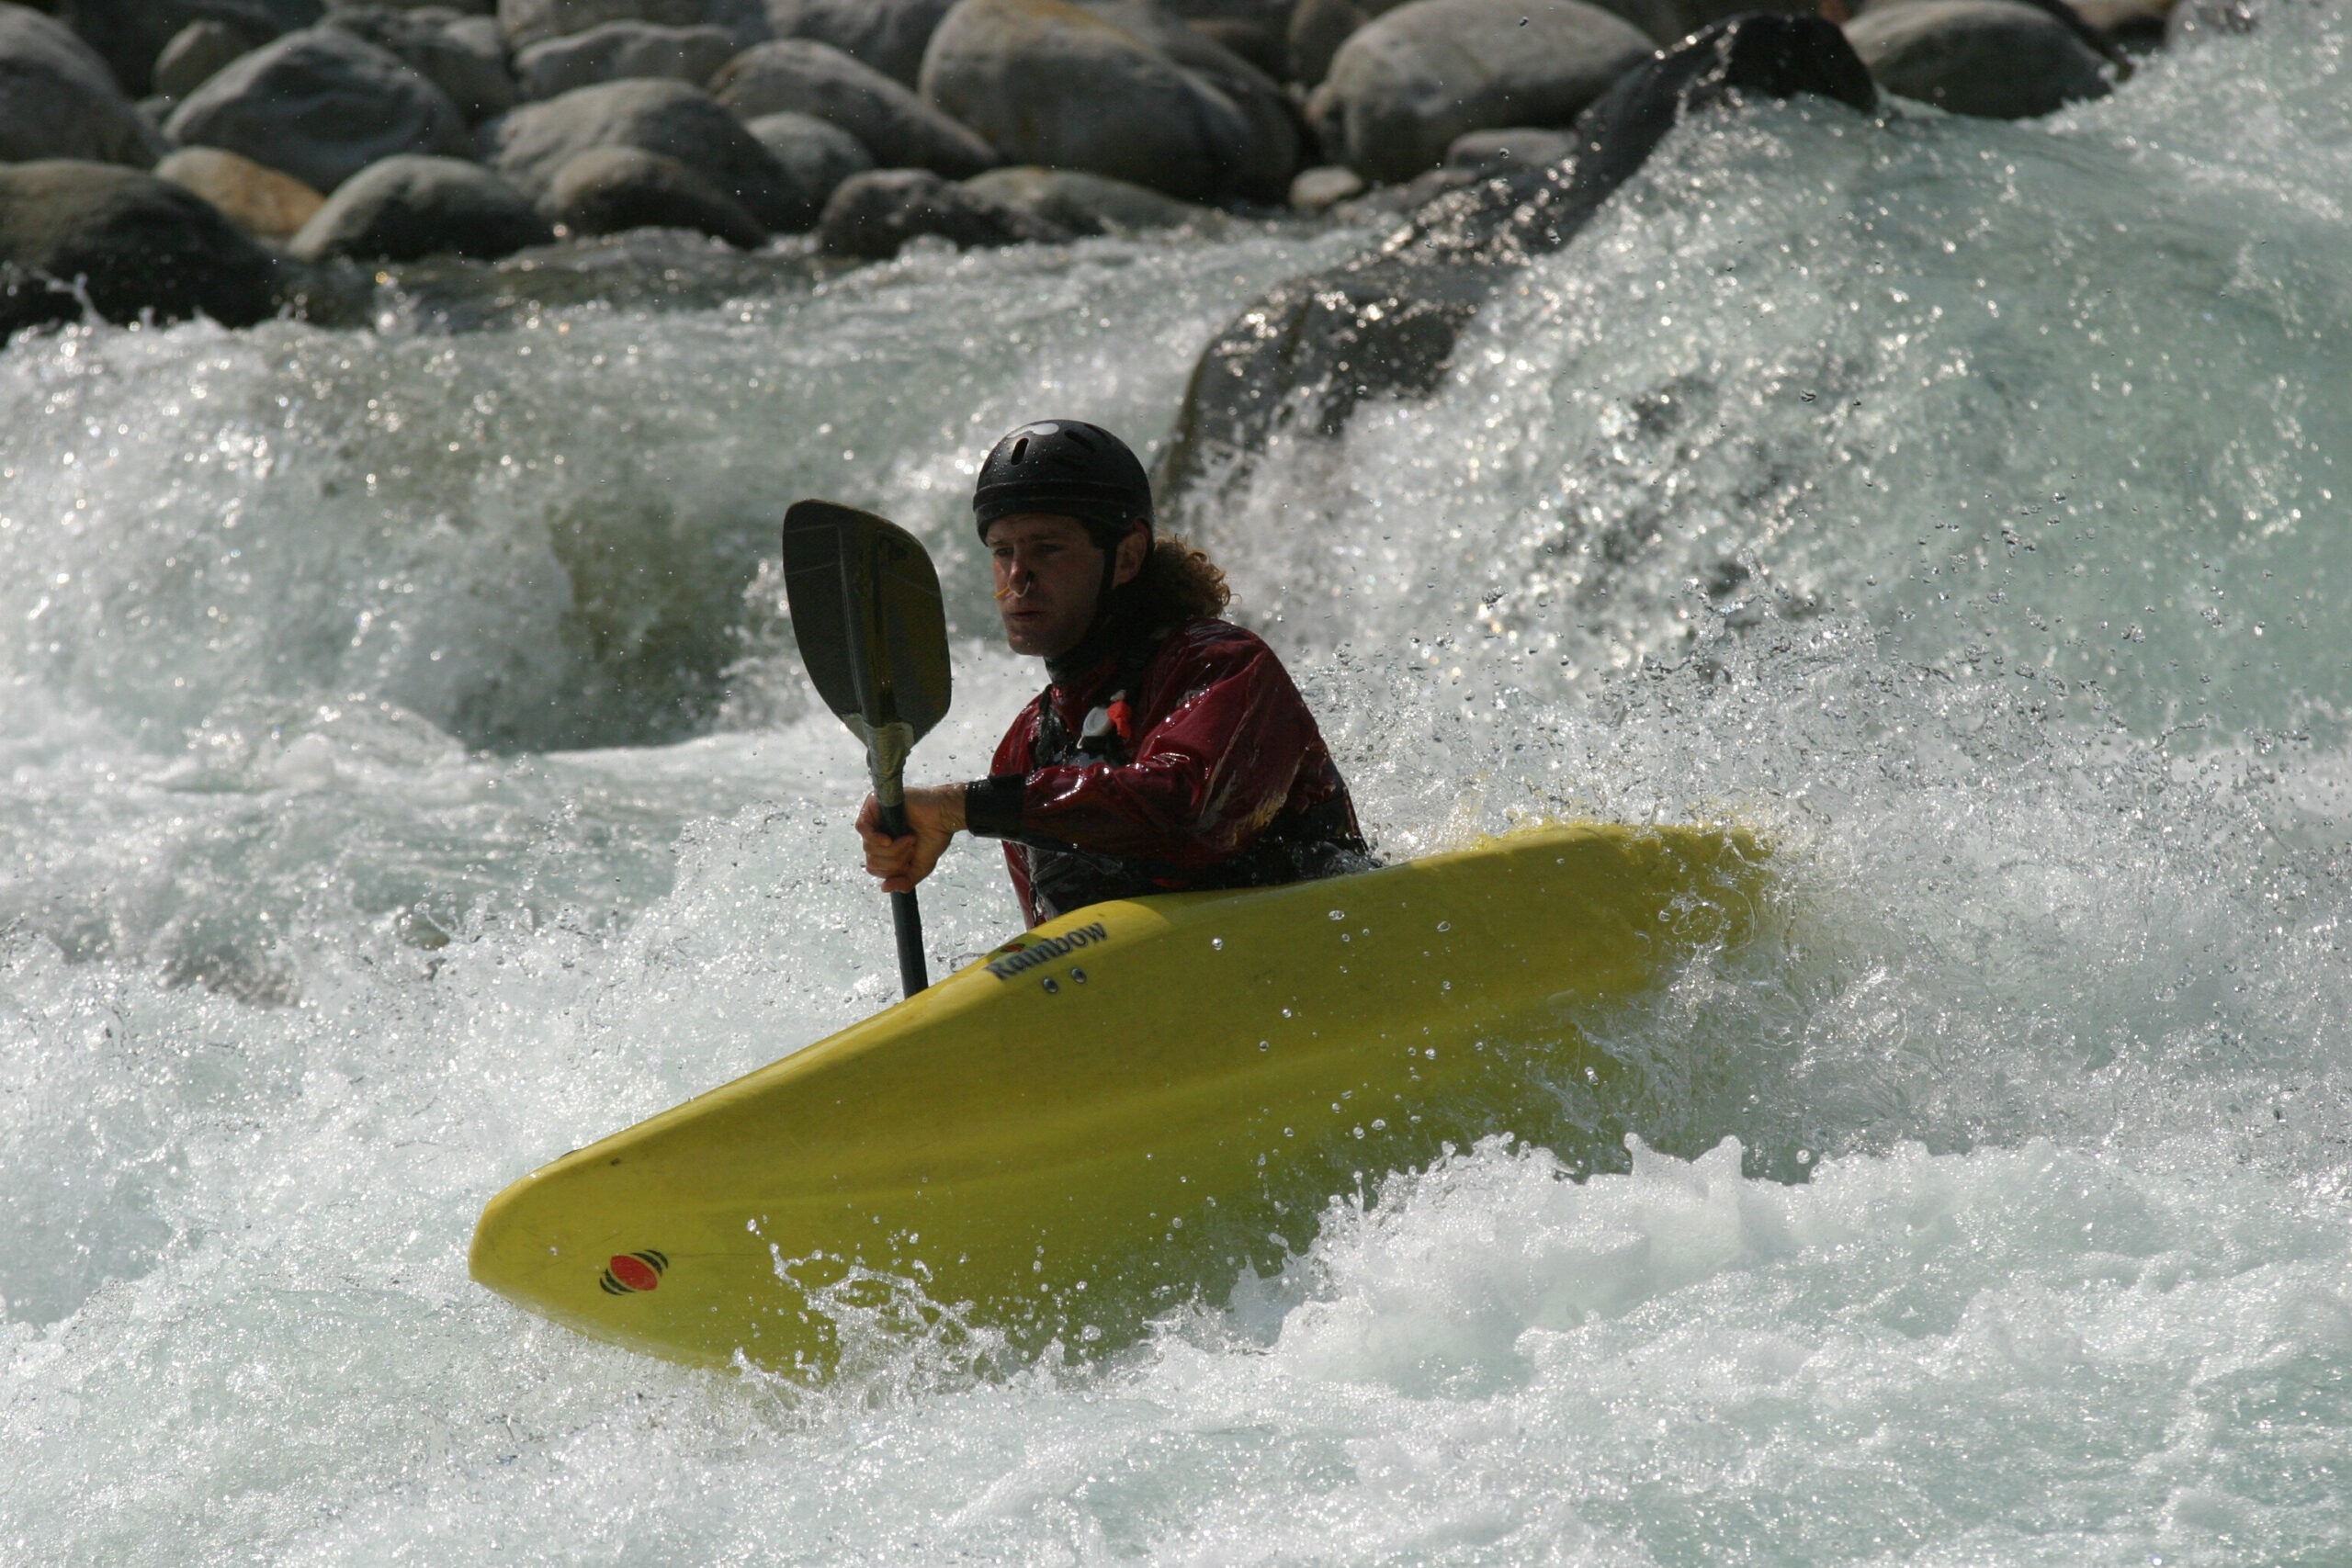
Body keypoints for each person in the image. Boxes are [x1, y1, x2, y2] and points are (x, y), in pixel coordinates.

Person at [856, 419, 1369, 928]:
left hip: (1326, 942)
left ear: (1127, 557)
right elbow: (1053, 939)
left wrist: (961, 808)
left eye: (1046, 548)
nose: (1017, 578)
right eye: (1002, 551)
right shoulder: (1026, 746)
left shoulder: (1221, 666)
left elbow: (1180, 812)